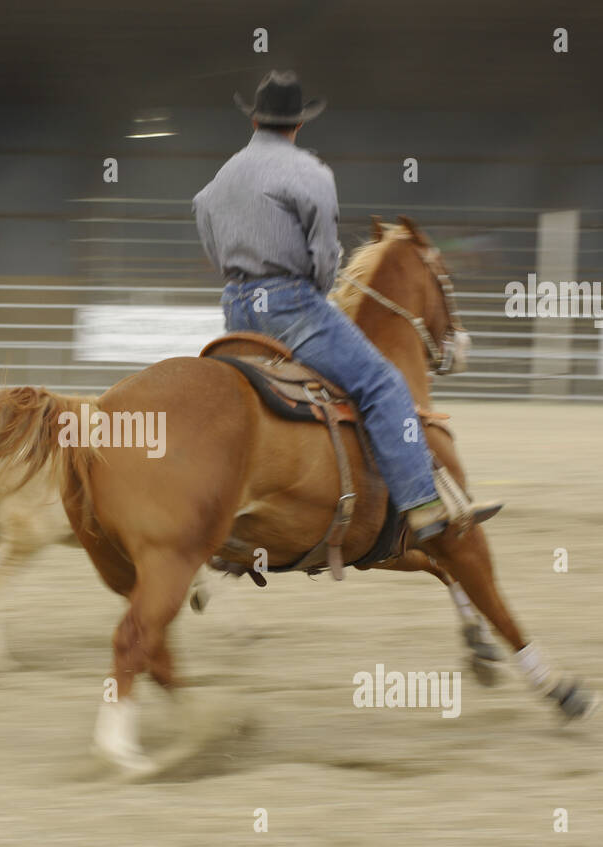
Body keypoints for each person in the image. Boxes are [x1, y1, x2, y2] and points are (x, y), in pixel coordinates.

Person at [192, 70, 491, 542]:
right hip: (292, 308)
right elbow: (326, 253)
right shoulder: (311, 172)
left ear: (253, 121)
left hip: (236, 311)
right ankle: (422, 504)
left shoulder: (218, 180)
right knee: (383, 384)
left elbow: (209, 239)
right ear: (298, 125)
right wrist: (314, 289)